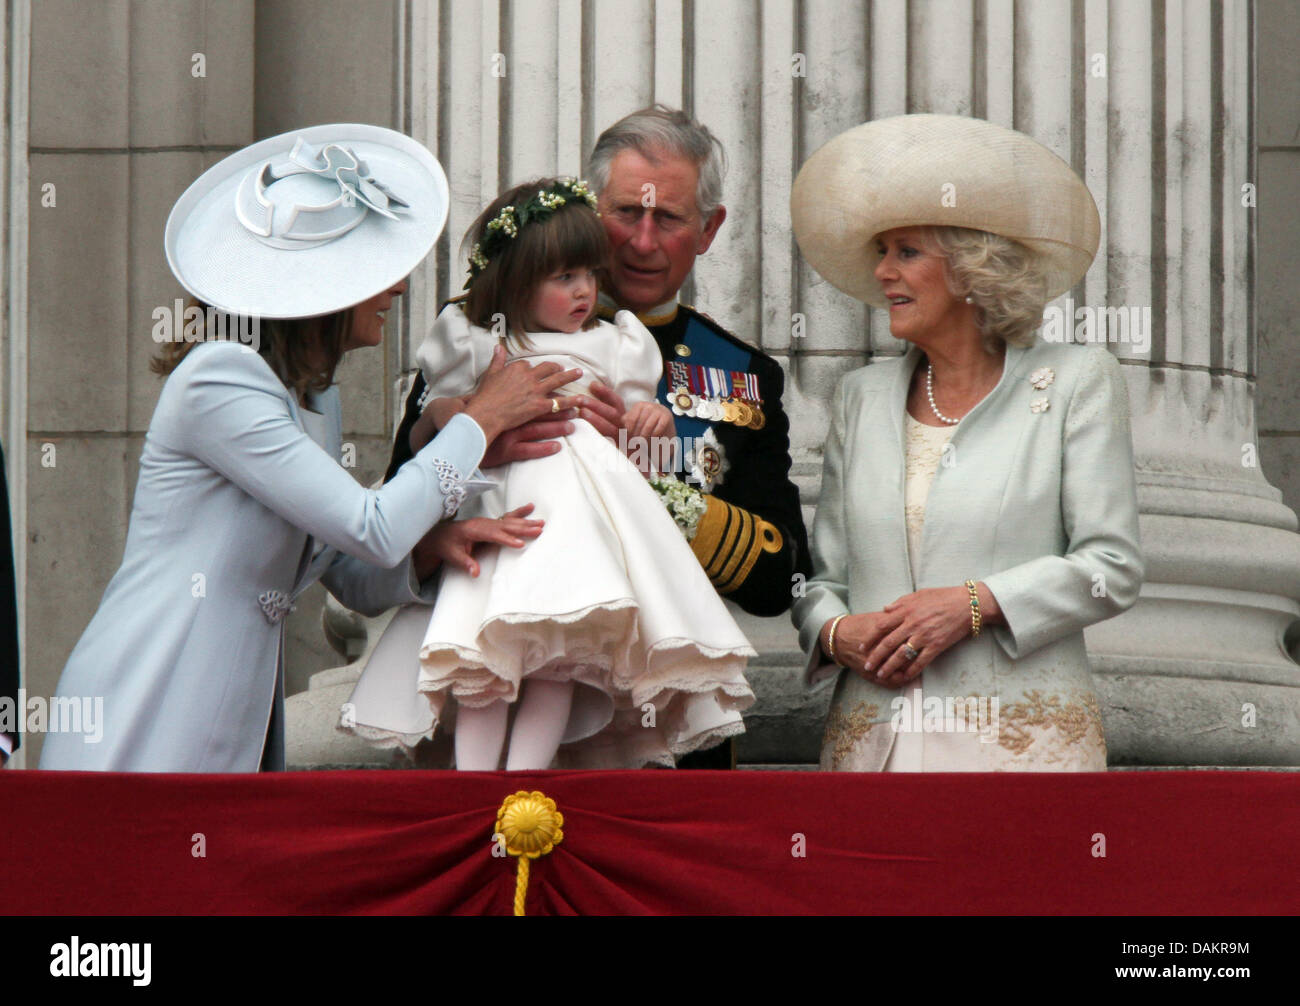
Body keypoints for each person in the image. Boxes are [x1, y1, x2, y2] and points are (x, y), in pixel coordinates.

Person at [39, 125, 578, 772]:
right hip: (154, 698)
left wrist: (429, 554)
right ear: (320, 293)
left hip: (232, 717)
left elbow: (347, 566)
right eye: (378, 273)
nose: (399, 290)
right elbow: (370, 526)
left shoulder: (314, 400)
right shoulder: (220, 377)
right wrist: (479, 422)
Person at [383, 106, 809, 769]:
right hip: (497, 698)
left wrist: (637, 488)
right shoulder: (483, 334)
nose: (641, 242)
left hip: (660, 750)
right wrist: (456, 505)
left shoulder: (741, 373)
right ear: (588, 213)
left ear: (708, 229)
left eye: (667, 219)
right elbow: (391, 517)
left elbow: (780, 577)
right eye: (624, 215)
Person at [788, 113, 1144, 771]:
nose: (884, 273)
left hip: (1019, 753)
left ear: (973, 265)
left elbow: (1111, 567)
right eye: (881, 252)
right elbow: (821, 580)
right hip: (875, 753)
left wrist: (974, 605)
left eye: (907, 251)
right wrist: (838, 634)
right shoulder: (861, 397)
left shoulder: (1074, 382)